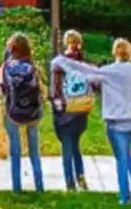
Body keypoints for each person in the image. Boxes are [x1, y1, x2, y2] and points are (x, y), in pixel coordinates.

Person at [53, 38, 131, 205]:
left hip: (116, 122)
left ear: (115, 52)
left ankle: (124, 197)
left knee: (121, 159)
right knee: (126, 155)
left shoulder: (110, 71)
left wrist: (62, 62)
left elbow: (84, 71)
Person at [0, 32, 45, 193]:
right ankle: (39, 186)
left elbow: (3, 89)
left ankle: (16, 187)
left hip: (14, 113)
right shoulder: (32, 67)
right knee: (34, 151)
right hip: (33, 113)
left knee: (15, 152)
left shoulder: (7, 67)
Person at [51, 29, 92, 191]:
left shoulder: (59, 63)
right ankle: (81, 177)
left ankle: (70, 182)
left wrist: (57, 108)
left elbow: (55, 89)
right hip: (82, 108)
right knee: (75, 145)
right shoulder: (84, 62)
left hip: (66, 109)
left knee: (67, 146)